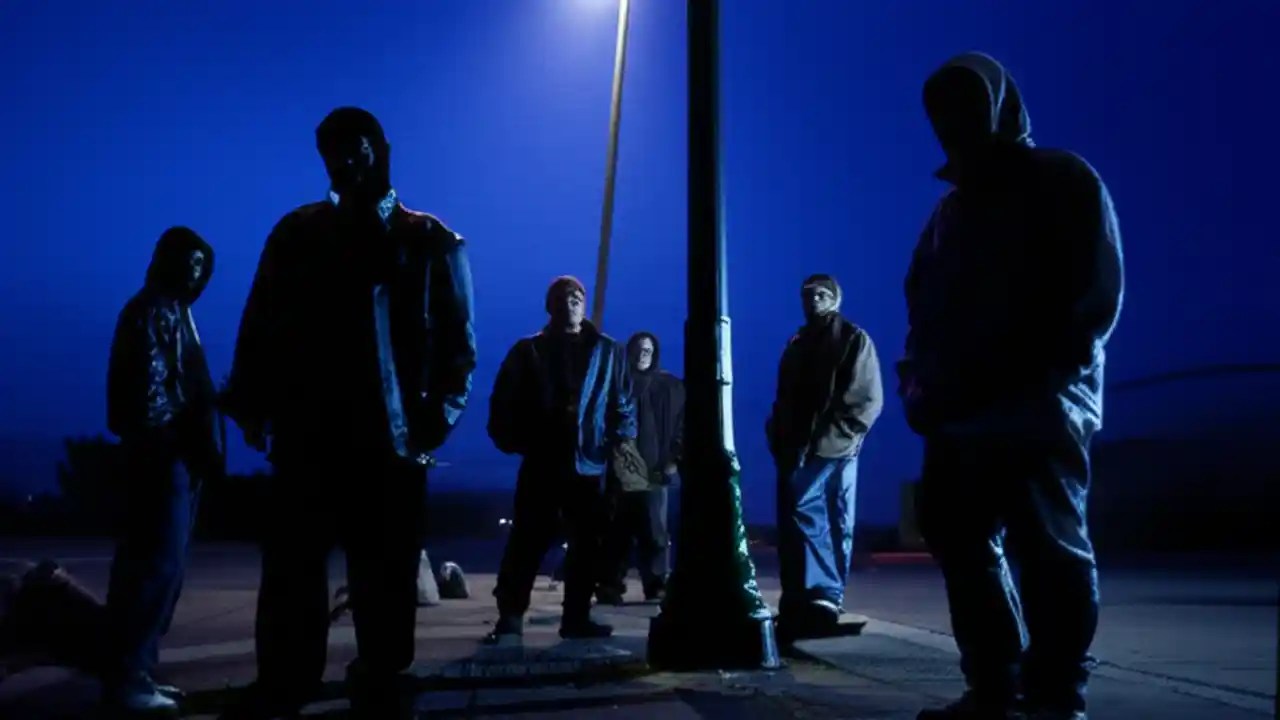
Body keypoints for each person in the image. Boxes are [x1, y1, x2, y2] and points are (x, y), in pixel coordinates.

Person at [220, 106, 477, 718]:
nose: (345, 158)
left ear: (379, 150)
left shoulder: (431, 241)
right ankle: (286, 677)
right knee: (291, 568)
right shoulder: (295, 233)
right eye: (333, 148)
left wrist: (429, 426)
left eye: (356, 145)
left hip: (389, 437)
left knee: (385, 571)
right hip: (308, 433)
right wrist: (254, 405)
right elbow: (258, 323)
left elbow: (457, 348)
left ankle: (382, 673)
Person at [900, 53, 1124, 720]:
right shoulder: (946, 215)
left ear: (996, 105)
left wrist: (1046, 371)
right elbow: (922, 308)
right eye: (941, 113)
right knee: (963, 545)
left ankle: (1057, 695)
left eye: (965, 106)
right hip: (956, 418)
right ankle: (994, 685)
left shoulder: (1063, 180)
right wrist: (920, 387)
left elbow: (1094, 294)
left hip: (1037, 409)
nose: (952, 123)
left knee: (1050, 550)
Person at [101, 225, 222, 714]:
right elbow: (151, 398)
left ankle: (139, 671)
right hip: (162, 457)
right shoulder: (154, 312)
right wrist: (183, 439)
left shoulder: (174, 313)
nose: (194, 275)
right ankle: (127, 677)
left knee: (163, 568)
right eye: (187, 263)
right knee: (152, 566)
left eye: (201, 266)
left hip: (178, 458)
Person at [485, 276, 637, 642]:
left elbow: (623, 404)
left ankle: (576, 619)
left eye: (576, 296)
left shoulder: (607, 350)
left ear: (584, 304)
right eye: (562, 297)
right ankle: (510, 616)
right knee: (527, 540)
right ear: (549, 306)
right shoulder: (528, 350)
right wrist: (520, 441)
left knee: (586, 545)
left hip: (588, 463)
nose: (570, 302)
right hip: (542, 460)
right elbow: (502, 403)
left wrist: (618, 447)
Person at [766, 274, 882, 639]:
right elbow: (783, 398)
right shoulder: (797, 344)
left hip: (832, 449)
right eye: (808, 295)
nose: (813, 300)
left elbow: (865, 399)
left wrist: (836, 439)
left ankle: (825, 597)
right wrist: (779, 436)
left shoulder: (853, 339)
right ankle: (799, 597)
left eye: (821, 294)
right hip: (795, 450)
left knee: (828, 518)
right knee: (796, 521)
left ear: (835, 298)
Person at [599, 331, 684, 604]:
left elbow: (685, 425)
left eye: (647, 350)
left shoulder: (670, 386)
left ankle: (656, 583)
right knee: (616, 532)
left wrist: (673, 460)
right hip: (621, 470)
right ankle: (611, 585)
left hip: (655, 471)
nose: (642, 355)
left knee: (655, 531)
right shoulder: (617, 385)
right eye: (638, 350)